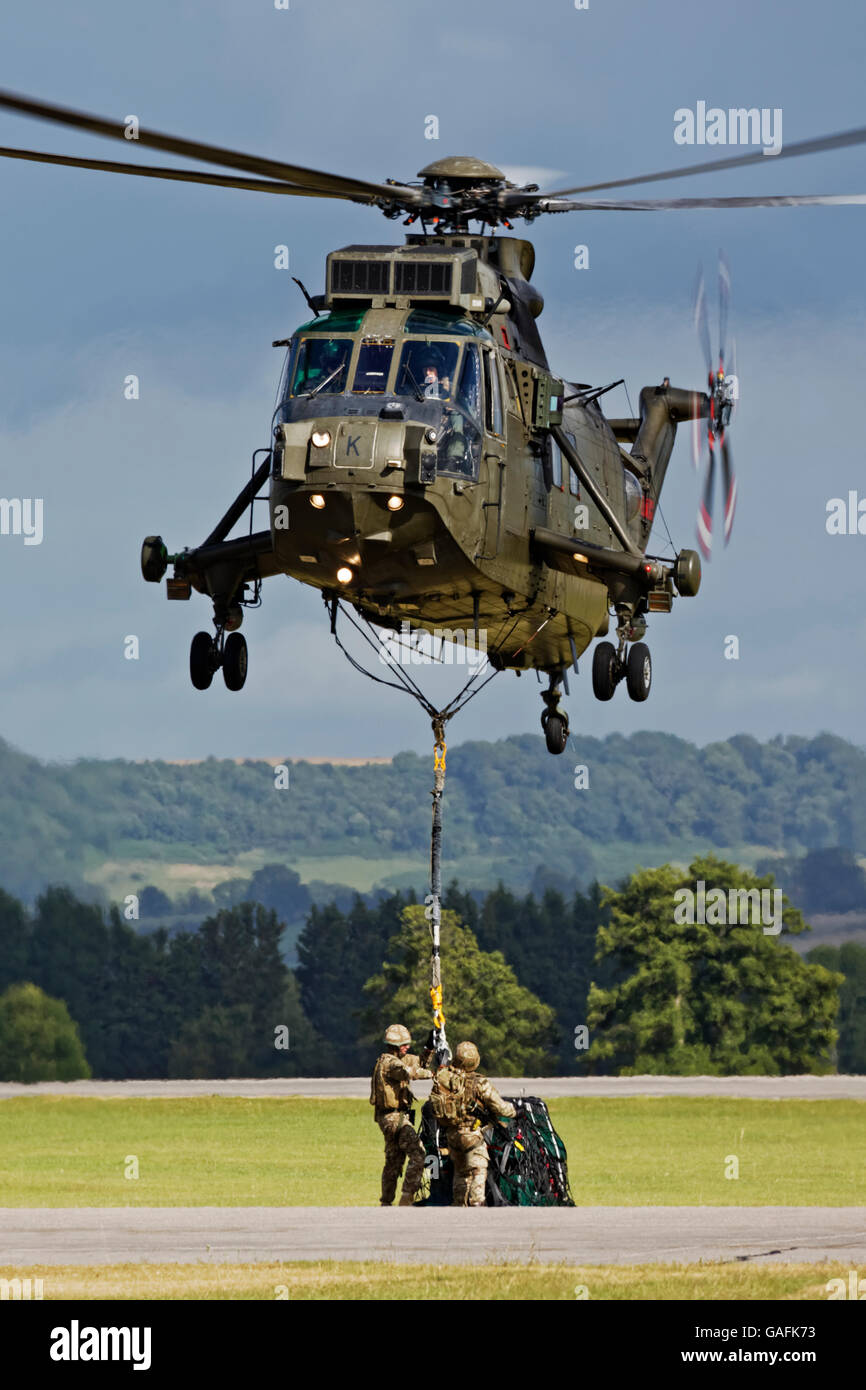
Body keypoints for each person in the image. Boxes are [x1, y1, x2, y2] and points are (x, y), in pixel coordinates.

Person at [430, 1041, 516, 1206]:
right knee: (478, 1169)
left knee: (461, 1172)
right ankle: (477, 1205)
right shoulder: (479, 1083)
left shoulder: (444, 1078)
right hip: (472, 1135)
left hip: (452, 1134)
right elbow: (501, 1108)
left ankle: (459, 1205)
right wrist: (515, 1111)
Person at [370, 1024, 434, 1207]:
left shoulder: (397, 1059)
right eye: (404, 1045)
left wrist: (429, 1047)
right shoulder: (389, 1063)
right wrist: (434, 1074)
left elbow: (419, 1062)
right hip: (394, 1118)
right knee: (418, 1153)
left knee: (394, 1161)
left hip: (391, 1118)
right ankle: (407, 1196)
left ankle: (386, 1202)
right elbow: (409, 1072)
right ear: (394, 1046)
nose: (407, 1047)